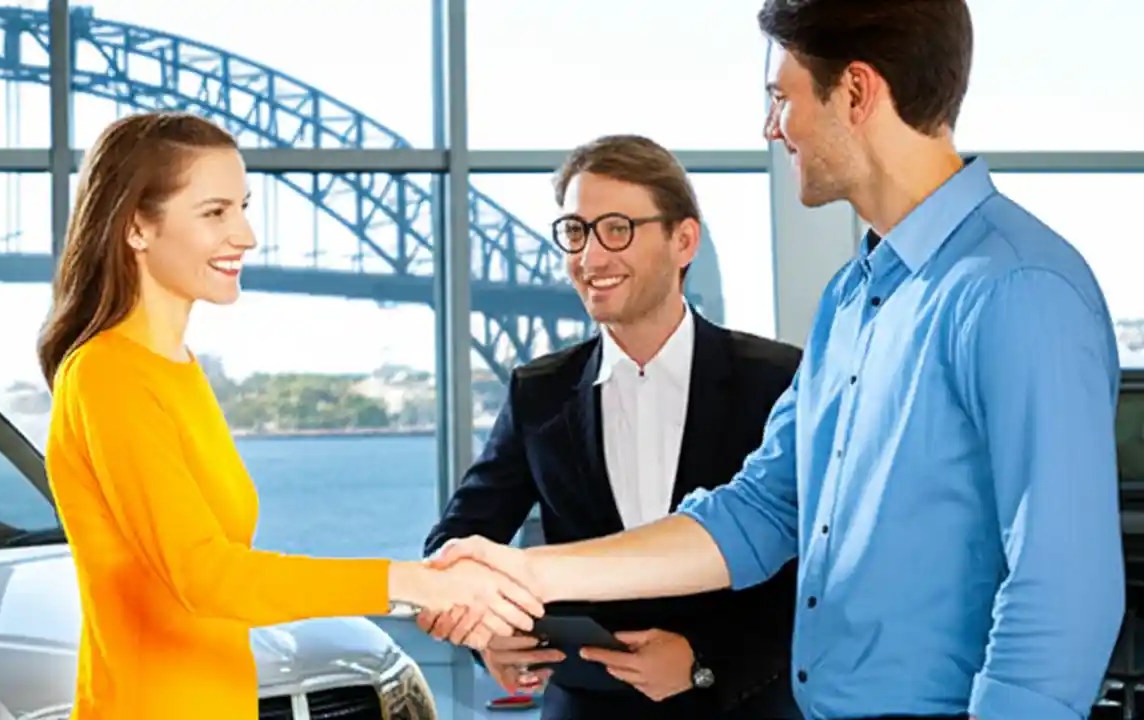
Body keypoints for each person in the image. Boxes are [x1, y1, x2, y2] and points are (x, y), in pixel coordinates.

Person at [429, 2, 1126, 719]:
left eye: (781, 98)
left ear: (855, 92)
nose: (772, 128)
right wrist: (524, 569)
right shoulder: (853, 303)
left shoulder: (1016, 289)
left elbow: (1065, 587)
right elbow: (758, 512)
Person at [37, 110, 542, 719]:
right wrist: (415, 583)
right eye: (215, 212)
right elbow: (206, 576)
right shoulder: (107, 374)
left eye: (243, 207)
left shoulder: (176, 368)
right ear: (137, 226)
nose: (246, 234)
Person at [417, 135, 804, 719]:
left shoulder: (778, 378)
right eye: (576, 231)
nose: (591, 257)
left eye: (616, 228)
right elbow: (456, 543)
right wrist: (487, 637)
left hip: (741, 705)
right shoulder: (538, 392)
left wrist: (708, 662)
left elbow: (819, 565)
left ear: (684, 240)